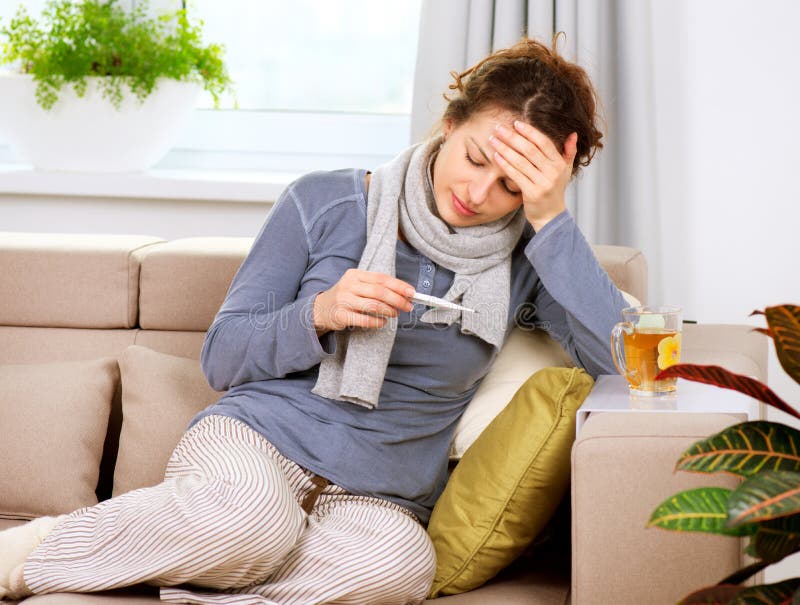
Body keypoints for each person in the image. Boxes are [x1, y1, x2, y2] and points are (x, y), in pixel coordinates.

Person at [0, 37, 628, 605]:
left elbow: (627, 365)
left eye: (513, 187)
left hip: (382, 496)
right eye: (475, 157)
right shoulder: (326, 200)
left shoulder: (533, 258)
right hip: (257, 444)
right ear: (449, 122)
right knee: (249, 523)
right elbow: (222, 357)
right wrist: (320, 314)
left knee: (400, 568)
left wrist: (550, 221)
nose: (479, 192)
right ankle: (32, 554)